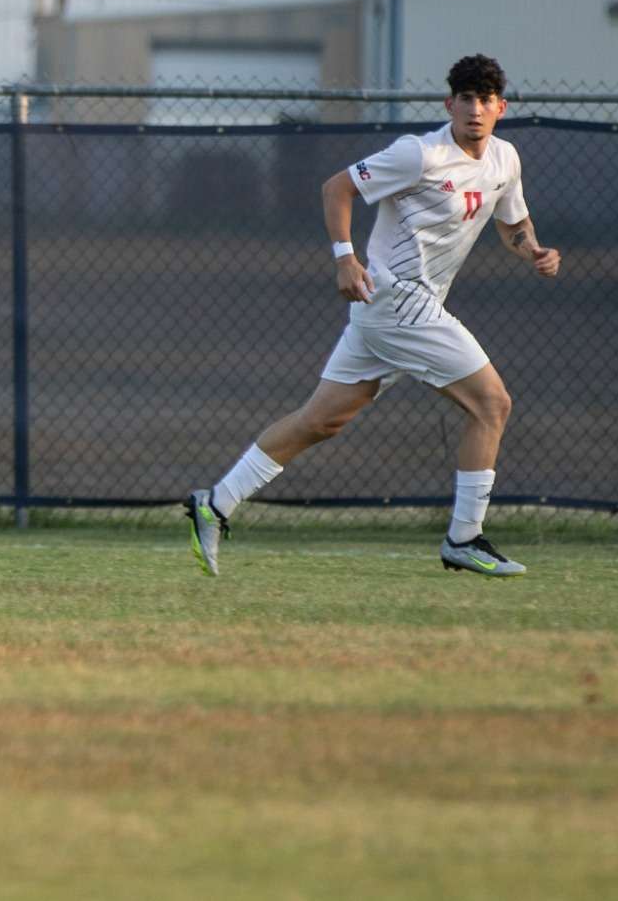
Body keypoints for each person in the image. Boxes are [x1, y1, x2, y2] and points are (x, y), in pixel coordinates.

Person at [185, 54, 560, 579]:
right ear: (449, 104)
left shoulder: (505, 159)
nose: (475, 110)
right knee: (492, 404)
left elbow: (511, 223)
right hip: (396, 299)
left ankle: (215, 502)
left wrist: (534, 251)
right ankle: (464, 538)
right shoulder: (419, 154)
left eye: (485, 100)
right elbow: (336, 188)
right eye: (465, 99)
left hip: (394, 309)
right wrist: (345, 256)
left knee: (321, 421)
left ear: (502, 107)